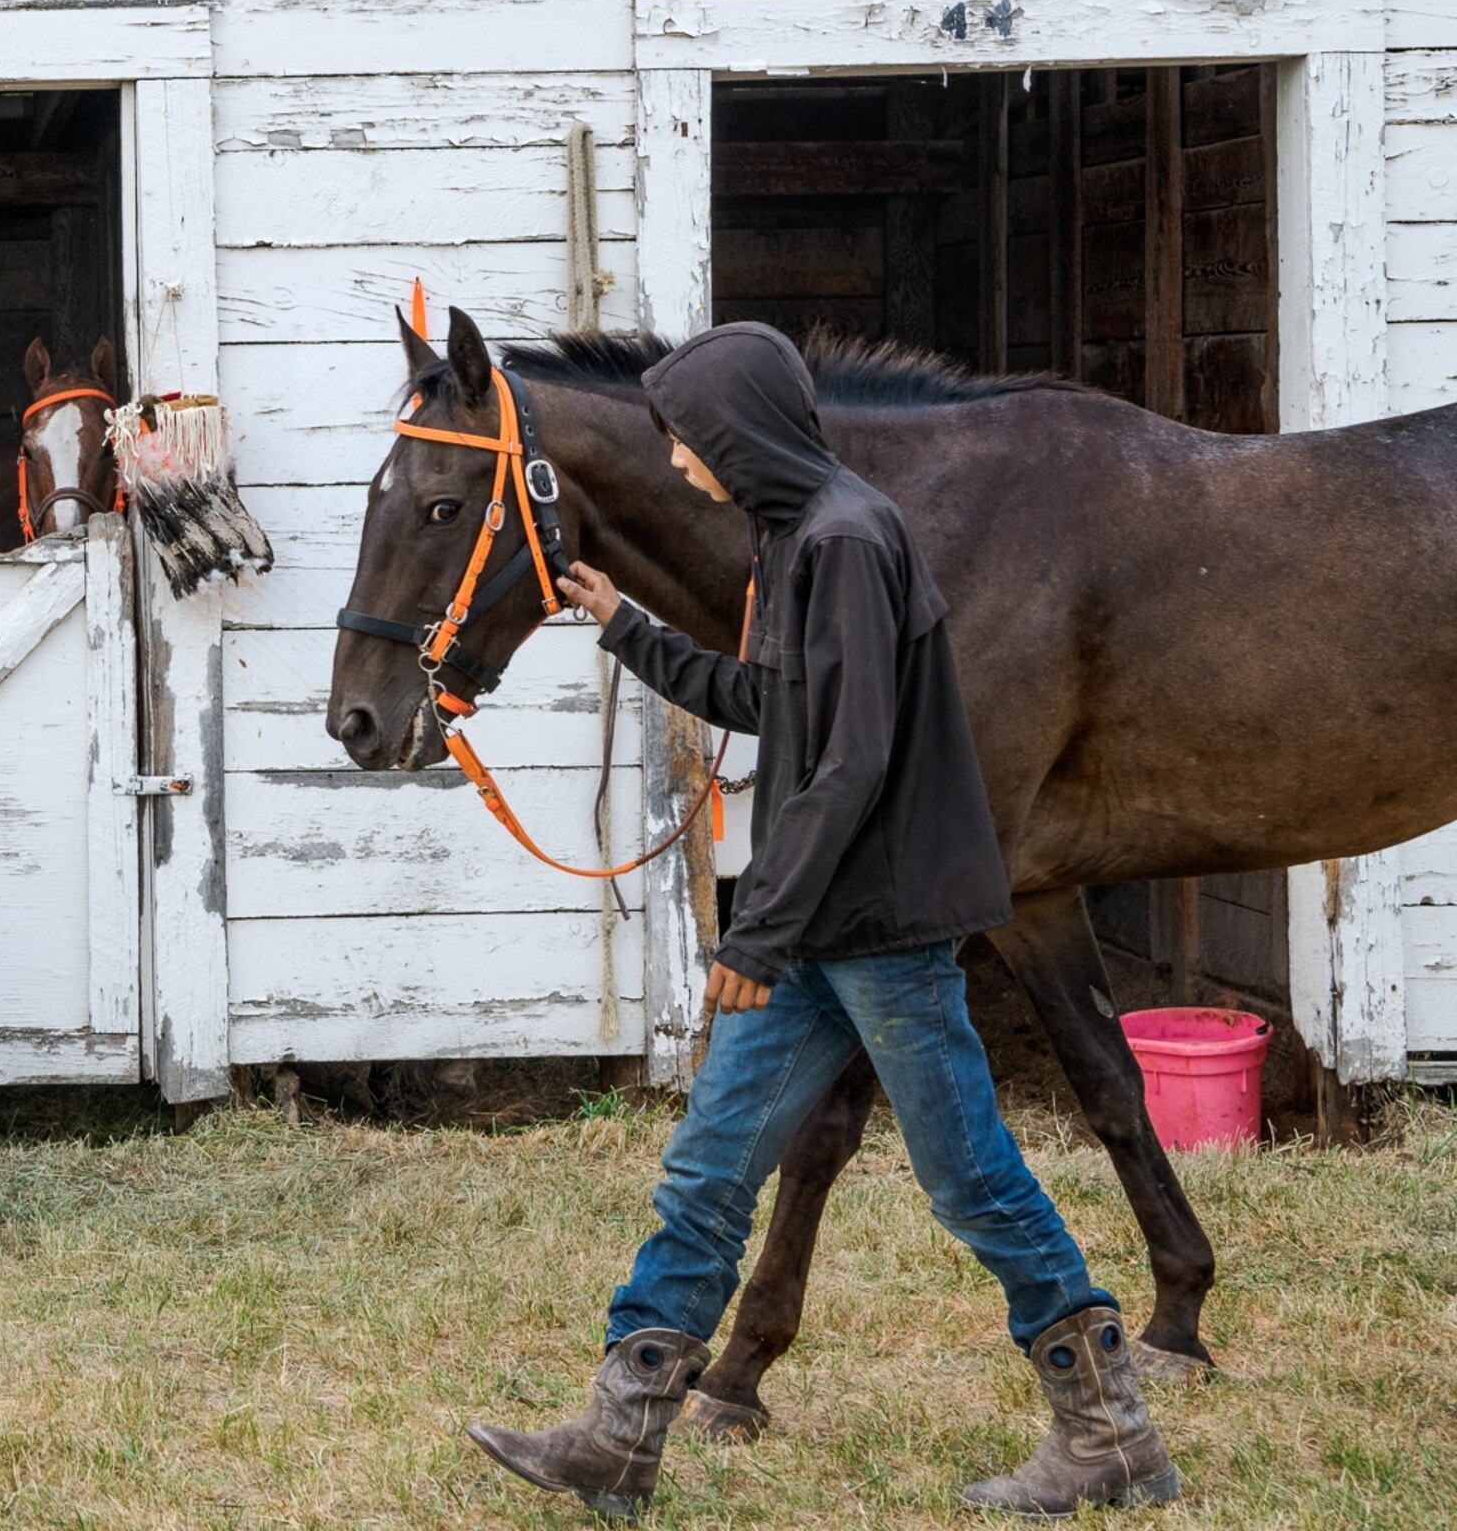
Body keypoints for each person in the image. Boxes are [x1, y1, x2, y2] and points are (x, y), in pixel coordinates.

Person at [464, 322, 1176, 1520]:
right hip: (820, 927)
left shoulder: (847, 539)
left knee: (972, 1181)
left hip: (881, 924)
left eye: (687, 435)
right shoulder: (797, 535)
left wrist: (754, 933)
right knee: (707, 1165)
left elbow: (846, 764)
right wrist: (626, 623)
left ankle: (1109, 1433)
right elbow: (771, 701)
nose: (678, 459)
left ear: (737, 430)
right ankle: (618, 1434)